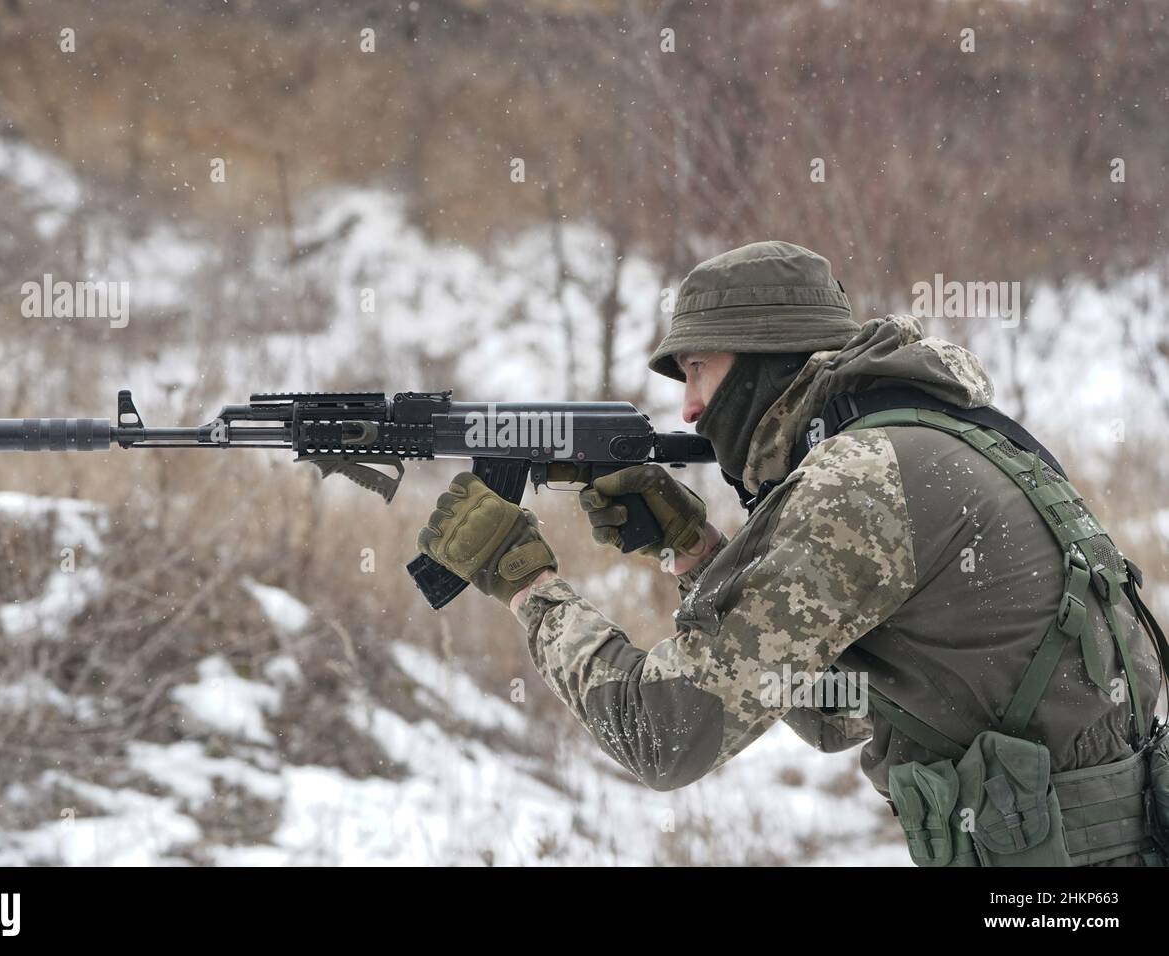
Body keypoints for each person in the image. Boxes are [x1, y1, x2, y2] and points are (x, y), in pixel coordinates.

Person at [417, 240, 1169, 866]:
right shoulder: (933, 437)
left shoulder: (861, 479)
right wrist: (697, 551)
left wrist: (528, 584)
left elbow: (666, 735)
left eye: (699, 370)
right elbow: (834, 712)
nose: (688, 409)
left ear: (762, 362)